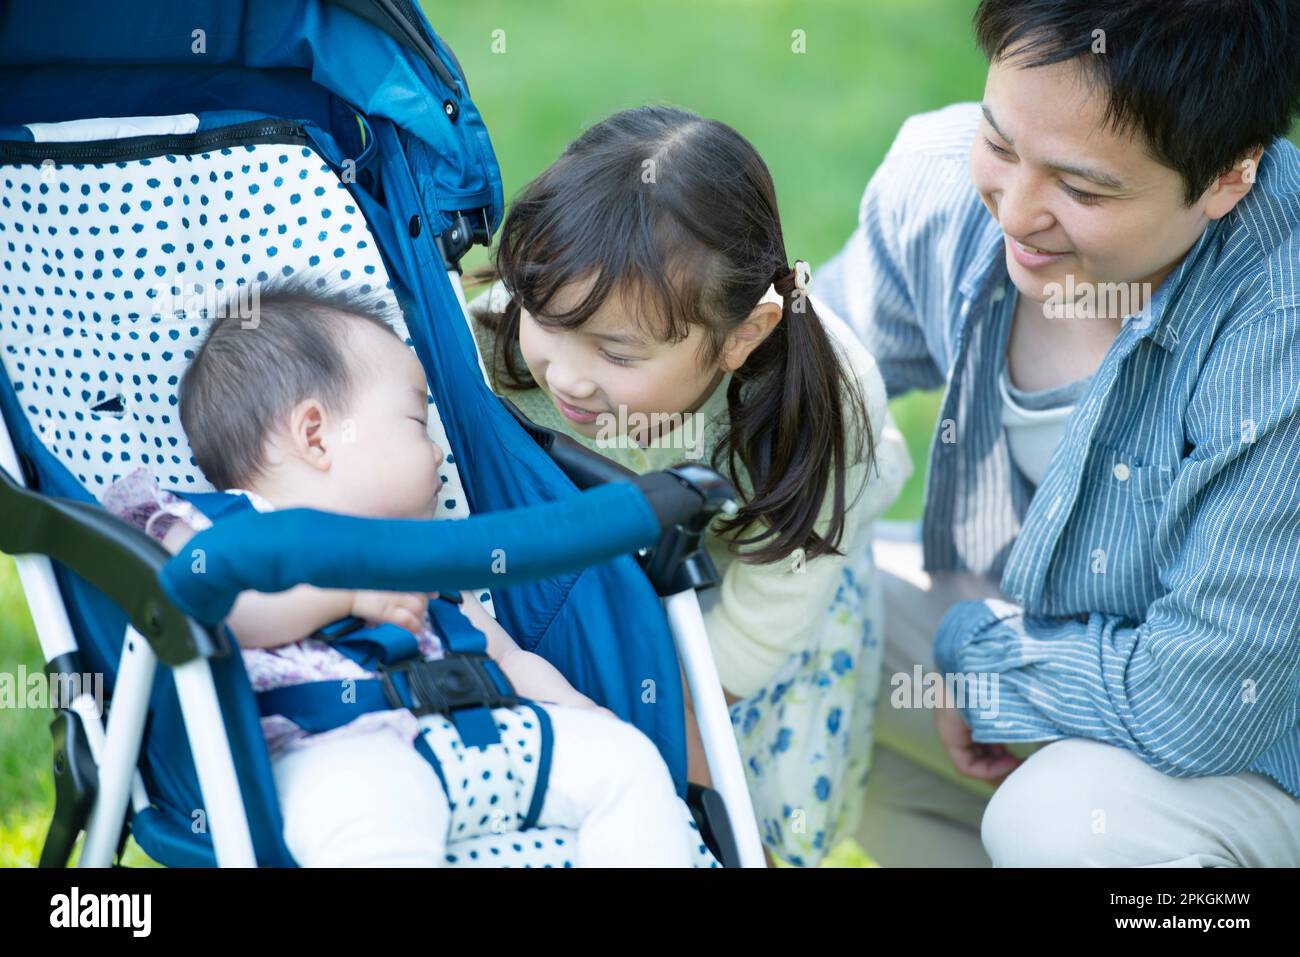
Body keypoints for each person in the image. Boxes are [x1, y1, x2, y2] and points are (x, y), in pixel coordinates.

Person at [817, 0, 1300, 866]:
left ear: (1230, 177)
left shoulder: (1281, 324)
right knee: (769, 620)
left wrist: (980, 661)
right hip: (1049, 651)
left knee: (1062, 819)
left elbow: (1208, 701)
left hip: (1262, 757)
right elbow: (793, 402)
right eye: (1000, 143)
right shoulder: (934, 187)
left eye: (1082, 189)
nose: (1017, 211)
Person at [103, 279, 699, 867]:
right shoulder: (208, 528)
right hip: (331, 755)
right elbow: (213, 609)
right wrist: (345, 594)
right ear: (315, 435)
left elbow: (506, 657)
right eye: (418, 424)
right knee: (373, 821)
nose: (439, 451)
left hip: (479, 737)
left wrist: (576, 710)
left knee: (627, 763)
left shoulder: (417, 554)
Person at [468, 105, 912, 865]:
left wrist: (675, 738)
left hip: (773, 567)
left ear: (745, 334)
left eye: (616, 353)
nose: (567, 374)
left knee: (739, 792)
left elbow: (757, 632)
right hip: (608, 570)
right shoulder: (503, 339)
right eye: (545, 318)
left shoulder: (821, 412)